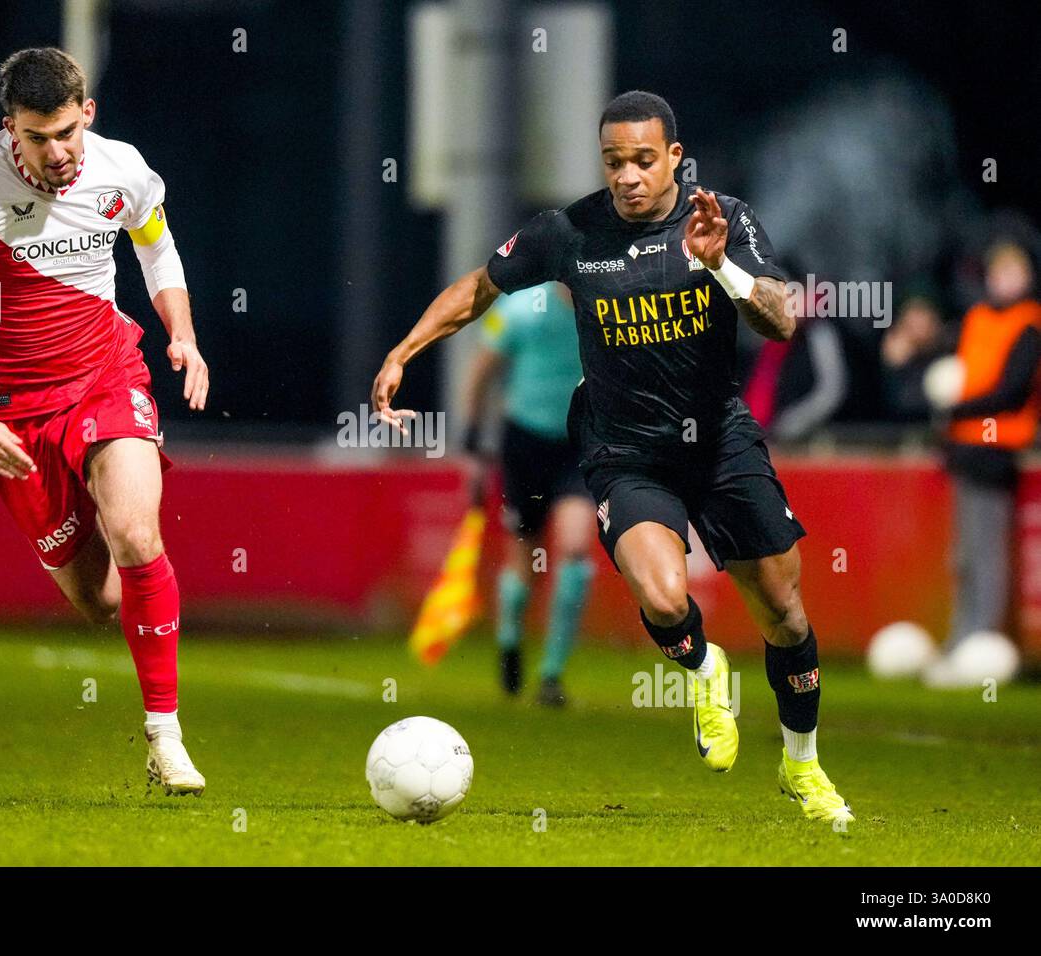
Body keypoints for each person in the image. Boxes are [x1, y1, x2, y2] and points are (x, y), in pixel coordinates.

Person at [373, 91, 853, 824]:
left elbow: (781, 319)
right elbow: (477, 288)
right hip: (621, 450)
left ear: (674, 159)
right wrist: (406, 349)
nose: (626, 176)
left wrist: (721, 264)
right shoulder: (569, 231)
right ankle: (703, 668)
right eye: (613, 161)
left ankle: (801, 764)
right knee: (662, 599)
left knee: (785, 614)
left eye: (642, 161)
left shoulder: (720, 217)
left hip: (719, 441)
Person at [0, 48, 209, 794]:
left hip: (106, 374)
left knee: (139, 533)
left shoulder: (122, 171)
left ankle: (165, 738)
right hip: (11, 411)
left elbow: (156, 247)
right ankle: (121, 584)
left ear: (88, 115)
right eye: (38, 137)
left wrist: (183, 334)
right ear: (10, 127)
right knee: (101, 600)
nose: (57, 152)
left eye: (68, 132)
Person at [461, 282, 596, 706]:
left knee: (575, 549)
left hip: (580, 443)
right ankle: (509, 639)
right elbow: (483, 366)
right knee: (525, 552)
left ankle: (552, 674)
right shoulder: (520, 308)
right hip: (525, 442)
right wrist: (472, 438)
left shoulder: (608, 307)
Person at [928, 241, 1041, 652]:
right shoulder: (977, 318)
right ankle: (962, 638)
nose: (1004, 279)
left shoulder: (1029, 323)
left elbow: (1011, 392)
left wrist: (958, 409)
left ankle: (983, 642)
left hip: (996, 451)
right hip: (964, 449)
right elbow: (957, 370)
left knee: (988, 552)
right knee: (964, 556)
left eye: (1014, 270)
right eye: (998, 270)